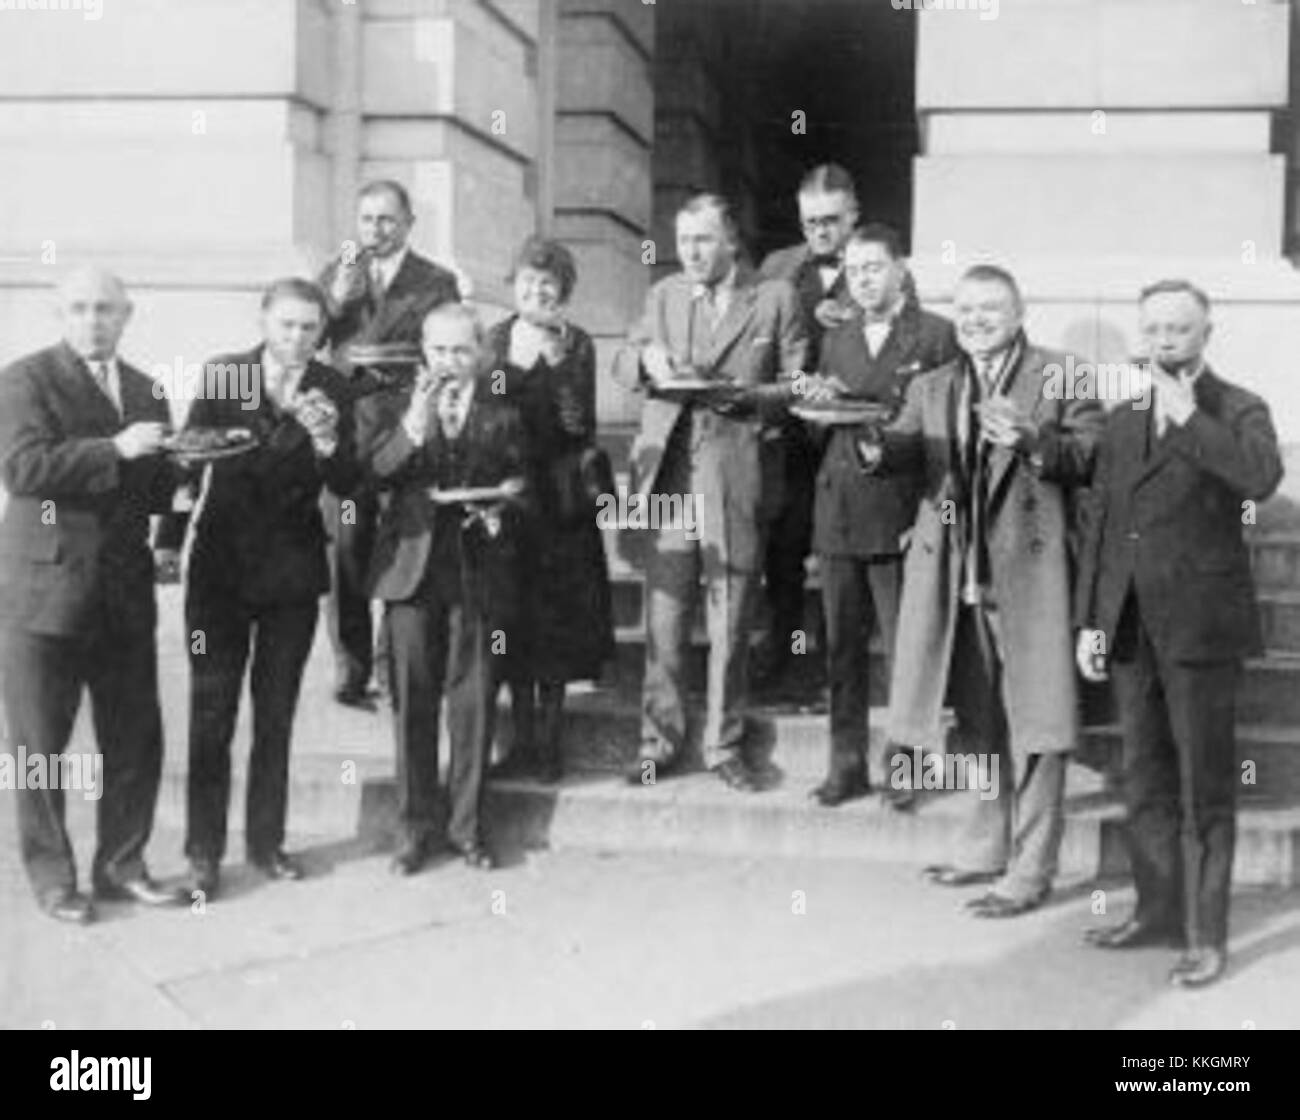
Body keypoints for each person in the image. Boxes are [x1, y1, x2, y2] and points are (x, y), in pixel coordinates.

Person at [860, 264, 1102, 916]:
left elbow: (1092, 457)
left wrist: (1033, 441)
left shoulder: (1063, 371)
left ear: (1020, 312)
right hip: (954, 581)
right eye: (965, 309)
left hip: (1033, 579)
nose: (975, 320)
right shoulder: (933, 383)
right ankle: (986, 843)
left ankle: (1031, 869)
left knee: (1041, 724)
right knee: (977, 720)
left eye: (991, 308)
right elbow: (905, 450)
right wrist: (871, 441)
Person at [1076, 280, 1283, 988]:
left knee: (1205, 788)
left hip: (1202, 632)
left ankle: (1207, 935)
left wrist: (1192, 418)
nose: (1164, 341)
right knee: (1144, 780)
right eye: (1154, 329)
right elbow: (1101, 526)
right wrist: (1091, 624)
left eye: (1179, 329)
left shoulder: (1238, 407)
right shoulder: (1124, 417)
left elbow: (1258, 479)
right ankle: (1158, 912)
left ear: (1206, 333)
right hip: (1132, 626)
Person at [159, 278, 356, 899]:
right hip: (219, 569)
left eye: (308, 328)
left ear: (323, 330)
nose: (296, 338)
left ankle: (267, 843)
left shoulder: (335, 386)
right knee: (211, 714)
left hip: (292, 574)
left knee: (276, 715)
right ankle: (203, 854)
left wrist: (328, 443)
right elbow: (186, 461)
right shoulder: (227, 375)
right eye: (286, 325)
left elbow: (352, 486)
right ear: (264, 320)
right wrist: (167, 541)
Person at [0, 266, 182, 922]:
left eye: (106, 308)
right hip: (43, 591)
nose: (93, 320)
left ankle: (123, 865)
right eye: (78, 308)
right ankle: (53, 879)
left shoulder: (147, 387)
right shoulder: (26, 379)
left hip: (123, 590)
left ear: (127, 314)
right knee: (38, 749)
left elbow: (153, 485)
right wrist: (117, 446)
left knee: (134, 736)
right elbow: (23, 468)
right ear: (59, 315)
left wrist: (181, 469)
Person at [615, 193, 807, 790]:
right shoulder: (664, 295)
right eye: (682, 242)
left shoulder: (775, 299)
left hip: (734, 468)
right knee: (665, 619)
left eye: (702, 240)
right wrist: (648, 359)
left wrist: (742, 395)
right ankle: (659, 740)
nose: (690, 253)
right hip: (670, 470)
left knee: (731, 615)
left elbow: (800, 385)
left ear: (731, 241)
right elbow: (623, 362)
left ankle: (724, 744)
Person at [359, 302, 530, 873]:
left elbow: (524, 488)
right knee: (412, 703)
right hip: (411, 573)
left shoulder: (502, 415)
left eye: (461, 351)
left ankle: (467, 829)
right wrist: (414, 421)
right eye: (438, 350)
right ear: (422, 353)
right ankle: (413, 831)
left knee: (474, 703)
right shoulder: (389, 406)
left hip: (478, 572)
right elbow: (376, 473)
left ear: (482, 355)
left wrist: (502, 511)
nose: (449, 362)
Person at [801, 223, 958, 806]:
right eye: (853, 269)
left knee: (905, 649)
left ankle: (906, 767)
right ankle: (845, 764)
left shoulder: (936, 335)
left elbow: (944, 432)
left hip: (902, 511)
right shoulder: (838, 338)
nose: (861, 280)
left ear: (900, 268)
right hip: (838, 505)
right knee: (840, 646)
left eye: (872, 267)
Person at [319, 179, 461, 709]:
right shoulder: (337, 273)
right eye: (367, 220)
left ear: (408, 224)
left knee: (398, 540)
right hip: (350, 425)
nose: (375, 230)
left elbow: (447, 346)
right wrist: (336, 300)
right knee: (346, 548)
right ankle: (350, 665)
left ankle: (387, 659)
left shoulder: (435, 280)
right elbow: (307, 337)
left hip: (405, 420)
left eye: (386, 220)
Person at [485, 237, 614, 783]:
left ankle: (552, 742)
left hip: (561, 500)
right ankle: (521, 739)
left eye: (548, 286)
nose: (537, 293)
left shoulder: (577, 343)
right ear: (513, 287)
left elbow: (578, 423)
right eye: (528, 283)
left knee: (557, 621)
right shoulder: (494, 340)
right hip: (512, 495)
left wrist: (559, 367)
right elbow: (487, 407)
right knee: (513, 617)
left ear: (563, 294)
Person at [755, 164, 859, 691]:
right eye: (810, 221)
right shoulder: (776, 267)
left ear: (853, 217)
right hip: (791, 433)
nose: (820, 231)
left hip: (848, 431)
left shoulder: (878, 264)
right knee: (784, 544)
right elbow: (757, 339)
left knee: (841, 547)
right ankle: (781, 651)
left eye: (831, 221)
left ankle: (838, 661)